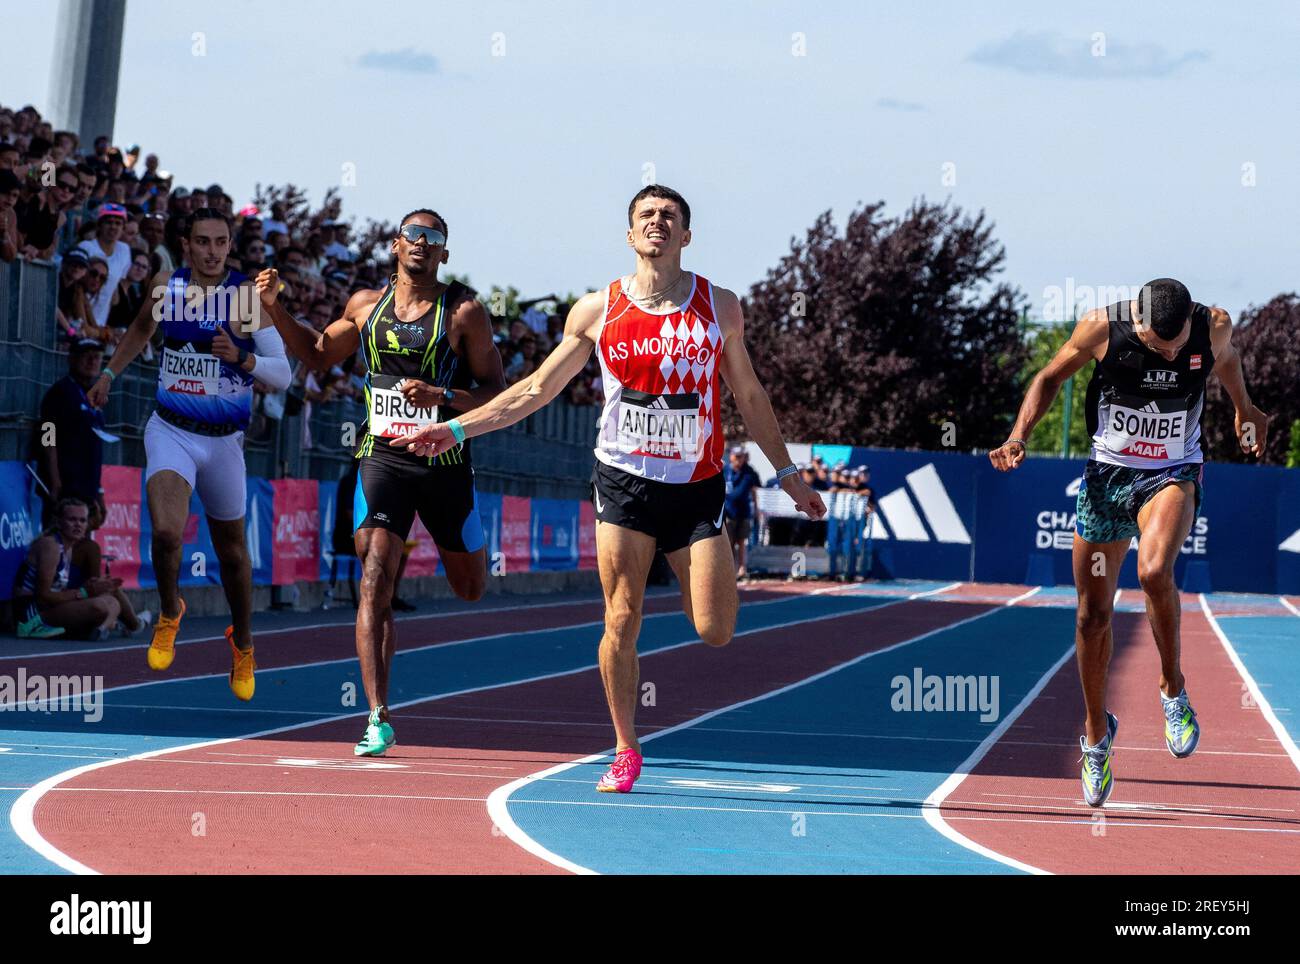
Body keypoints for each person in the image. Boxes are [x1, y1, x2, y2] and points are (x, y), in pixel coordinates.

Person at [392, 185, 826, 792]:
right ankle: (625, 746)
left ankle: (678, 637)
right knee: (621, 616)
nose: (658, 222)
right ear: (629, 235)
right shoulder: (599, 310)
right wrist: (458, 428)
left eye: (669, 216)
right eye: (646, 216)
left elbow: (750, 396)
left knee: (715, 629)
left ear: (686, 235)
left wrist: (789, 475)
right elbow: (536, 389)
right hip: (623, 482)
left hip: (696, 485)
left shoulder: (719, 306)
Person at [990, 278, 1269, 808]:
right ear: (1137, 321)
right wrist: (1019, 434)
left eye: (1175, 344)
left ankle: (1173, 690)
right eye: (1156, 345)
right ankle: (1097, 734)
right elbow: (1049, 378)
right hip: (1106, 478)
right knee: (1092, 617)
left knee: (1153, 571)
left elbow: (1227, 362)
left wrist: (1244, 408)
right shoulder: (1102, 327)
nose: (1167, 354)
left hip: (1171, 472)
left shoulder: (1214, 326)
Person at [255, 209, 505, 755]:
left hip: (443, 463)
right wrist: (276, 309)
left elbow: (498, 395)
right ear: (396, 245)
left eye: (434, 237)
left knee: (470, 588)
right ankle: (377, 716)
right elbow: (317, 356)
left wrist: (442, 398)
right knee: (374, 580)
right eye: (413, 234)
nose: (421, 243)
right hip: (382, 457)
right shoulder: (366, 307)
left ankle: (463, 544)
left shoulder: (464, 314)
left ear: (444, 253)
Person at [87, 208, 292, 700]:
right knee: (164, 531)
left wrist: (241, 357)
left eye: (221, 242)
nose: (212, 251)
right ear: (186, 245)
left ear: (229, 246)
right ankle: (169, 610)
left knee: (233, 555)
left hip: (222, 442)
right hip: (171, 430)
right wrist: (109, 375)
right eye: (202, 241)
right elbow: (139, 331)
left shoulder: (245, 299)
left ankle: (242, 643)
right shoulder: (166, 285)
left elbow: (282, 373)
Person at [11, 497, 143, 640]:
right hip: (31, 614)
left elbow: (58, 592)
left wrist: (90, 588)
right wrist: (83, 593)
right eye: (72, 520)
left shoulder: (69, 547)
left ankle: (103, 628)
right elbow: (43, 596)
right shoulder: (51, 546)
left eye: (82, 520)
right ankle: (102, 627)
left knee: (111, 598)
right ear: (59, 522)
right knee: (100, 607)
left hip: (48, 607)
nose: (78, 525)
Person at [35, 338, 112, 527]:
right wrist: (54, 481)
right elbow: (47, 437)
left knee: (81, 548)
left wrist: (98, 491)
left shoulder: (93, 395)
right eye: (87, 356)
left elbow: (95, 446)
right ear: (71, 359)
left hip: (87, 488)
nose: (92, 361)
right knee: (58, 544)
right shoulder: (59, 392)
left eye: (97, 357)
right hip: (65, 487)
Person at [76, 203, 133, 328]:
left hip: (102, 322)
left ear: (123, 228)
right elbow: (76, 289)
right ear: (100, 225)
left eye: (118, 223)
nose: (113, 226)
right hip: (78, 320)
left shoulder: (124, 250)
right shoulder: (86, 247)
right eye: (109, 222)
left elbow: (116, 290)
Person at [722, 445, 761, 580]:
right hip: (728, 511)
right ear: (731, 456)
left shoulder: (749, 472)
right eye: (736, 456)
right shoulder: (725, 470)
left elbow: (754, 491)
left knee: (742, 541)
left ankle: (742, 568)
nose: (738, 459)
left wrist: (756, 509)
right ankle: (729, 568)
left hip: (743, 511)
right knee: (728, 542)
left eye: (741, 456)